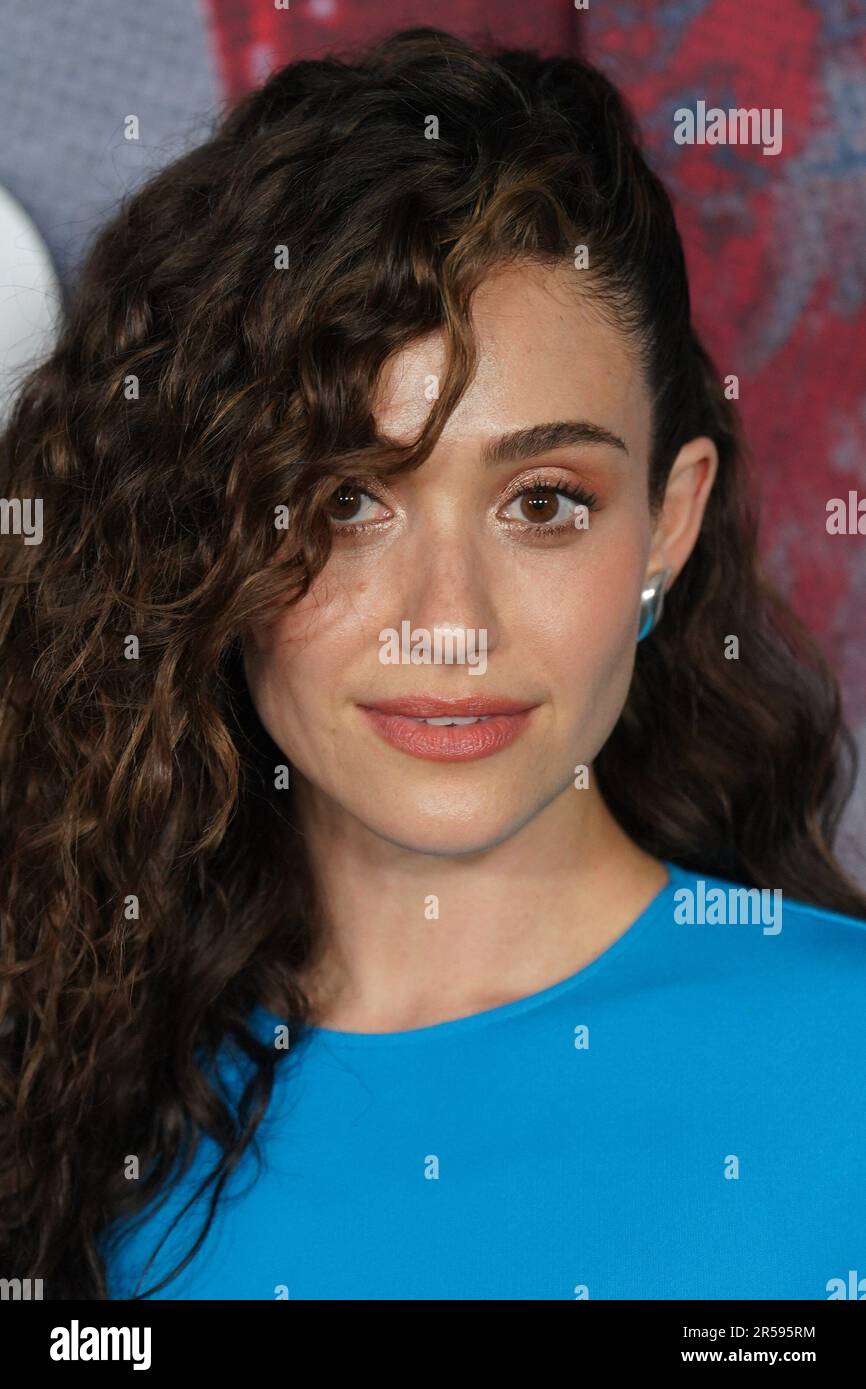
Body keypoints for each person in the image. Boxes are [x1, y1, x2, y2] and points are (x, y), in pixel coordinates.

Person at [1, 27, 864, 1302]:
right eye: (347, 500)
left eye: (544, 501)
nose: (446, 621)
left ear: (666, 526)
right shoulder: (59, 1090)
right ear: (208, 528)